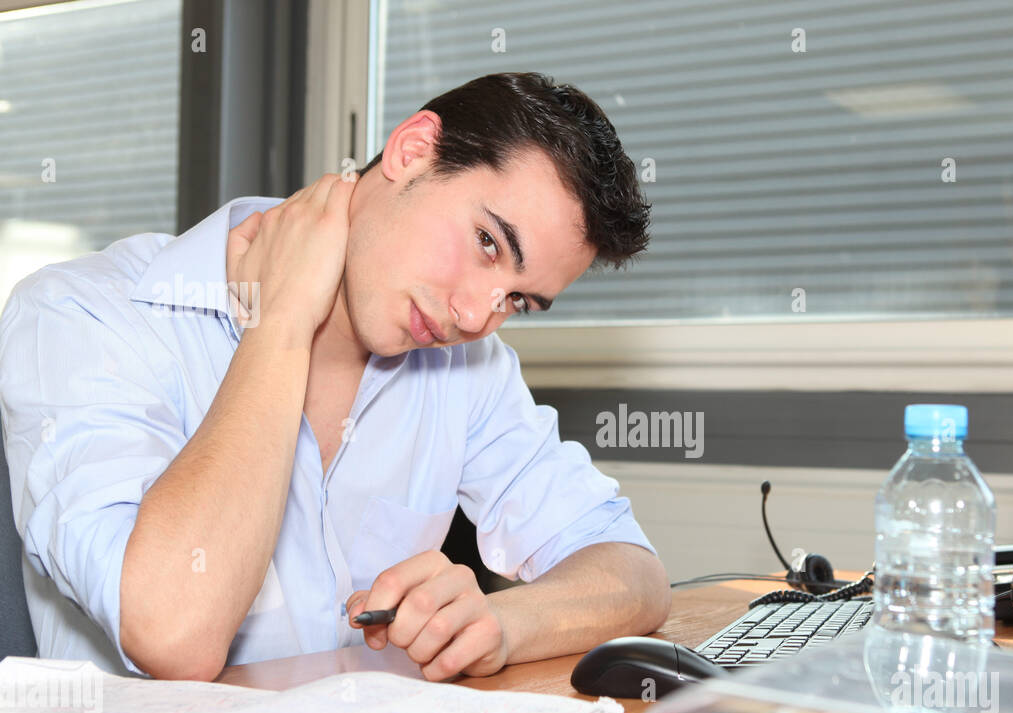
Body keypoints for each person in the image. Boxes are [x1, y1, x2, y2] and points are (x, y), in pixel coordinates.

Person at [0, 72, 670, 681]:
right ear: (412, 152)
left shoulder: (465, 364)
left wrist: (502, 622)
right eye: (487, 243)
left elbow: (633, 572)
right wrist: (282, 322)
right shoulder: (79, 314)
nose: (475, 313)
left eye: (517, 301)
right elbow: (173, 634)